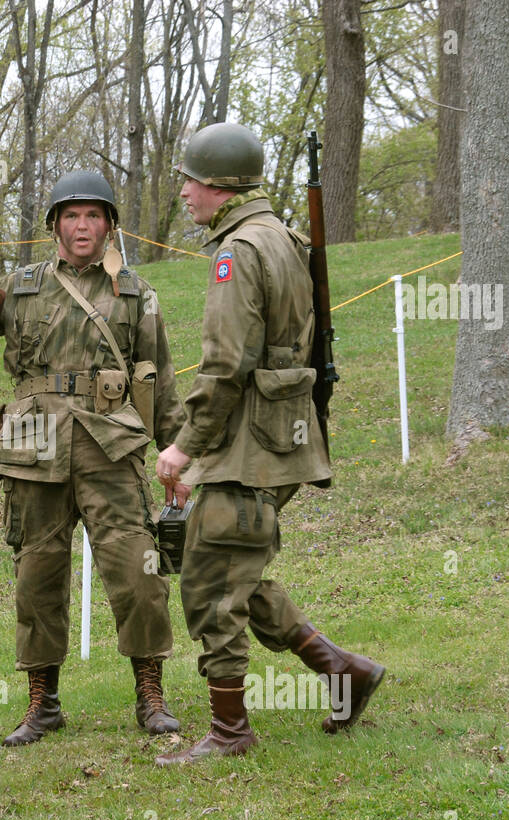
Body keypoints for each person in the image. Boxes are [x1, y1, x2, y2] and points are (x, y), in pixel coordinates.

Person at [0, 171, 188, 746]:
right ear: (54, 225)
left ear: (109, 226)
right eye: (71, 216)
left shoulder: (135, 292)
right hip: (34, 447)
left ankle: (151, 696)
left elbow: (161, 379)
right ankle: (42, 704)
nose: (83, 227)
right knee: (37, 575)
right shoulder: (21, 289)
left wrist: (175, 454)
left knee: (138, 571)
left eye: (94, 216)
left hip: (111, 445)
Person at [153, 122, 386, 767]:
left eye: (189, 180)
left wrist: (184, 448)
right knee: (234, 567)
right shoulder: (282, 237)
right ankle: (343, 670)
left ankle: (230, 732)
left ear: (219, 184)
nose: (183, 192)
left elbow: (226, 364)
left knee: (208, 582)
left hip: (250, 443)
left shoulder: (239, 250)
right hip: (277, 438)